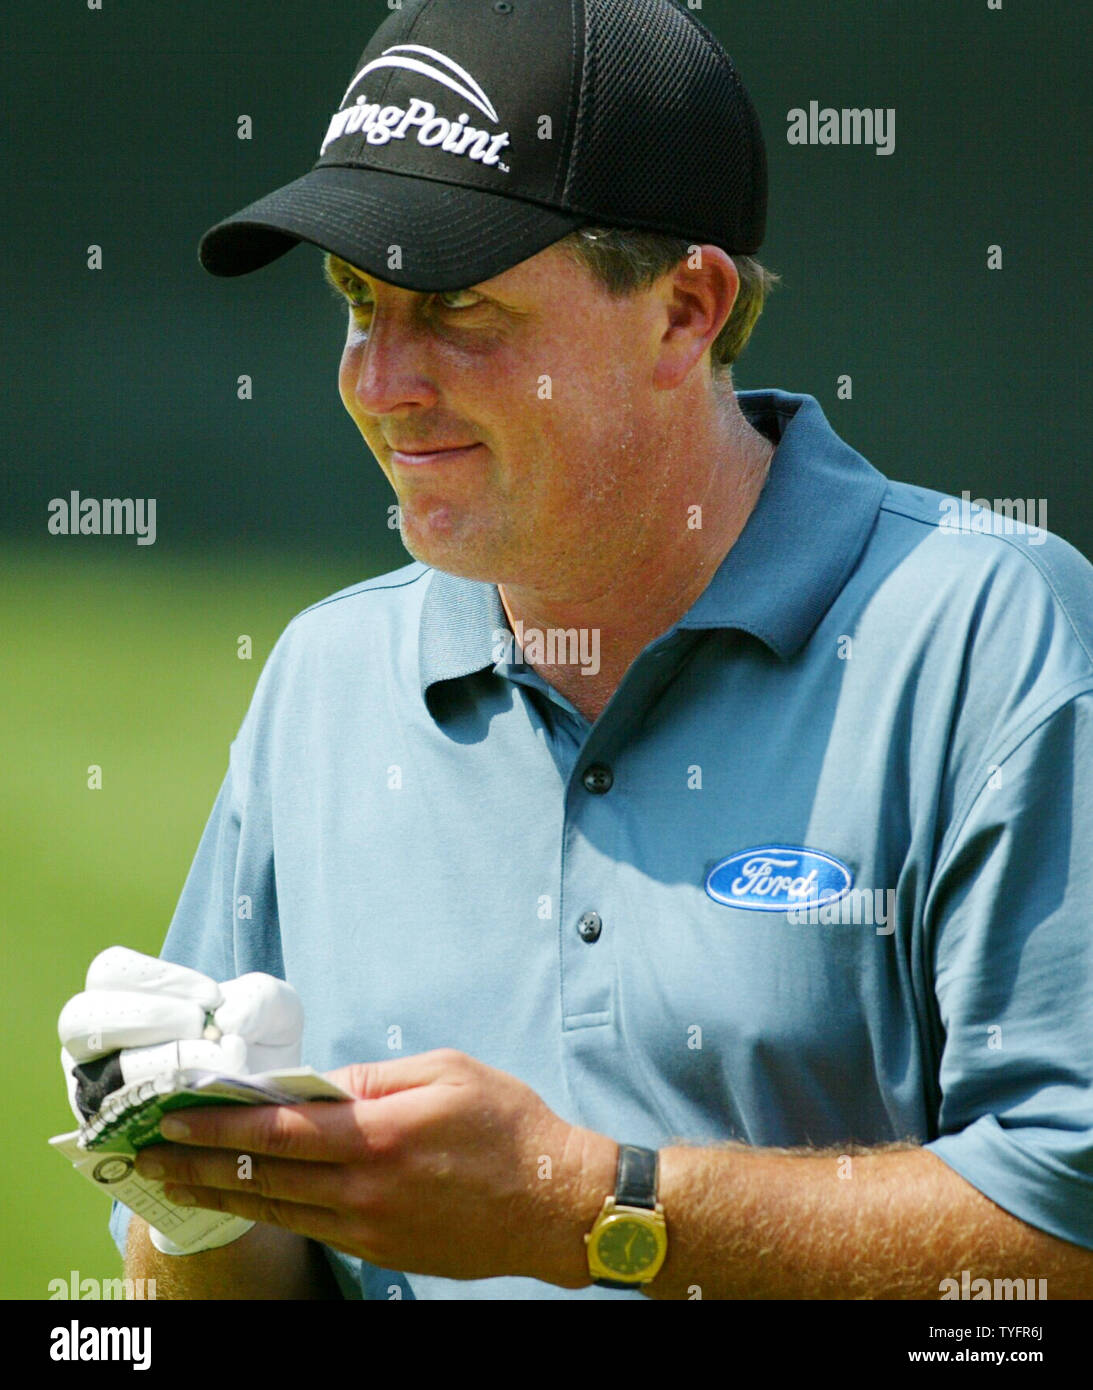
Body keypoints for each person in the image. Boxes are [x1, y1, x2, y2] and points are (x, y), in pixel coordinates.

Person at [59, 0, 1093, 1300]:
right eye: (353, 298)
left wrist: (588, 1206)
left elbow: (1067, 1232)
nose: (379, 378)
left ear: (683, 309)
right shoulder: (322, 679)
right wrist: (196, 1210)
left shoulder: (990, 638)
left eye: (452, 306)